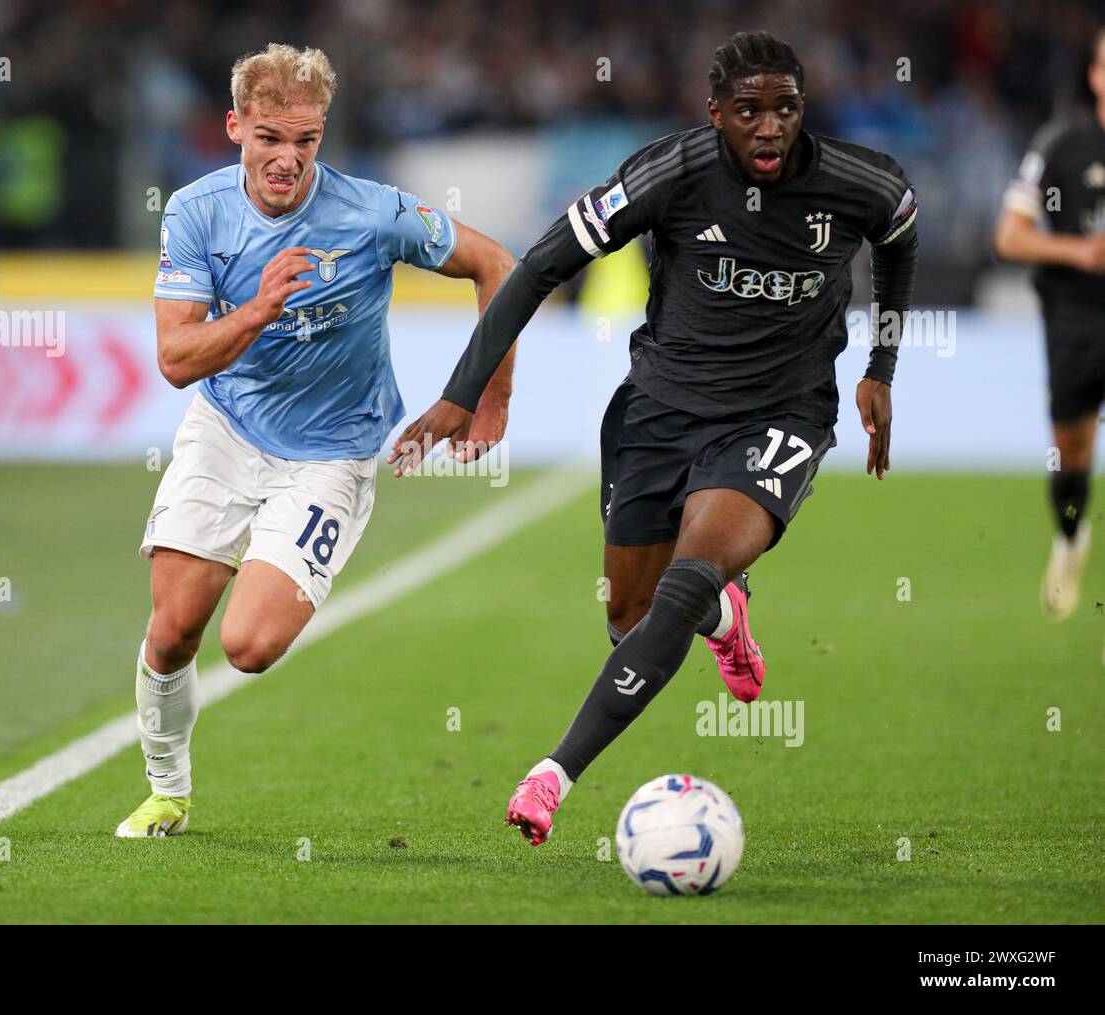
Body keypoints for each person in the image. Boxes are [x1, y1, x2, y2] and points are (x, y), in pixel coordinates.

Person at [389, 31, 918, 845]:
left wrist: (880, 364)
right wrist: (464, 394)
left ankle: (553, 774)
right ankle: (723, 620)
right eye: (749, 111)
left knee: (685, 577)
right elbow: (537, 268)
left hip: (780, 417)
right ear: (715, 115)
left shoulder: (863, 183)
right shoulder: (668, 174)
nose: (770, 127)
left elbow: (899, 242)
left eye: (785, 109)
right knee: (633, 616)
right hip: (657, 414)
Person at [119, 43, 515, 837]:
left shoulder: (370, 212)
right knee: (170, 634)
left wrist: (485, 396)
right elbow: (173, 359)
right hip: (226, 431)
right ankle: (169, 791)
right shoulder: (196, 213)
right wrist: (259, 310)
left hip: (331, 452)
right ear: (235, 127)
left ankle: (273, 558)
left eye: (306, 140)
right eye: (270, 137)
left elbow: (498, 264)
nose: (288, 159)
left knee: (250, 644)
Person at [994, 27, 1105, 620]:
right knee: (1071, 448)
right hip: (1075, 322)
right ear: (1095, 76)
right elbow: (1008, 235)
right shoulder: (1061, 143)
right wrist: (1081, 253)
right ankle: (1070, 537)